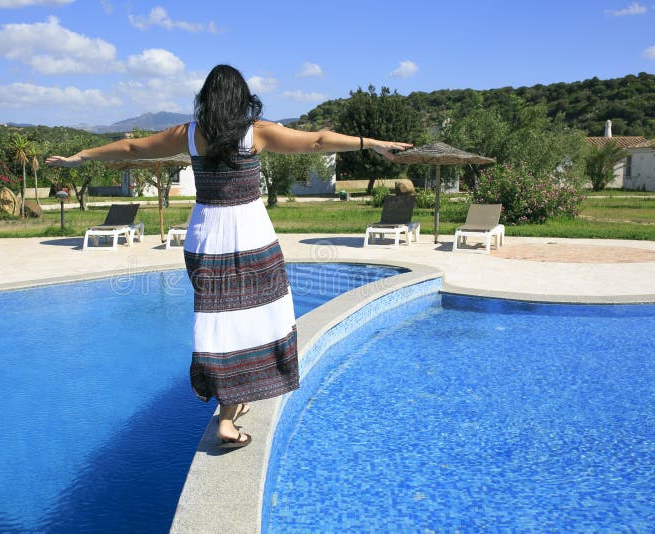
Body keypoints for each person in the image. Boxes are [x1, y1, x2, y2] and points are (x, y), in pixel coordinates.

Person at [46, 64, 412, 449]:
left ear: (207, 97)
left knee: (221, 321)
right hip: (251, 236)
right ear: (242, 97)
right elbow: (318, 141)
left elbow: (133, 147)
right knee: (256, 319)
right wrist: (371, 142)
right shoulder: (256, 132)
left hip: (204, 239)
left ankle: (235, 401)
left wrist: (81, 156)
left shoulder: (188, 134)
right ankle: (226, 419)